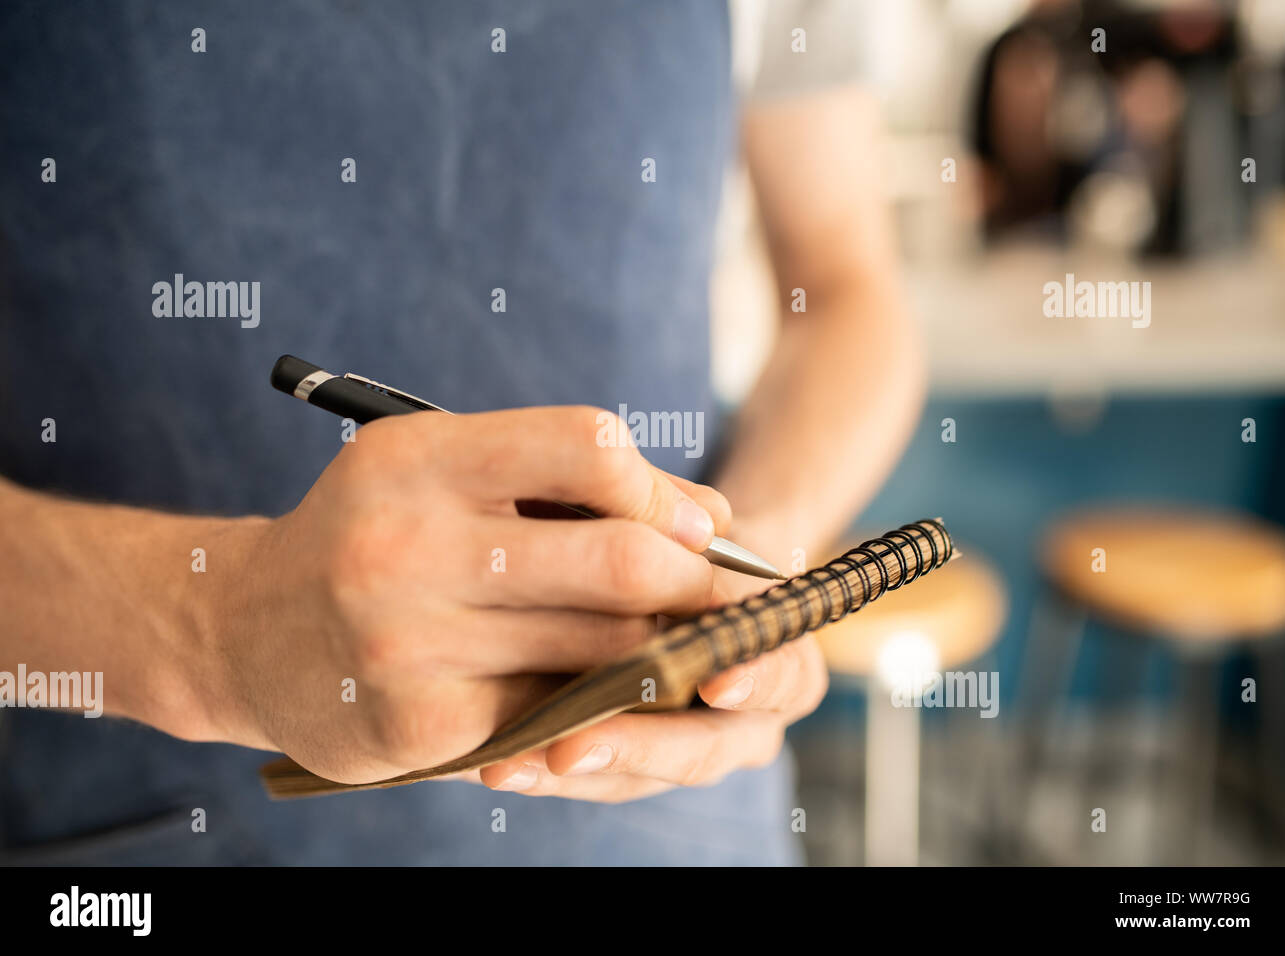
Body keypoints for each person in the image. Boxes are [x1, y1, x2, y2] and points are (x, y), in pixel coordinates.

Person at [0, 1, 922, 864]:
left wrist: (744, 563)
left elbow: (845, 292)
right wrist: (215, 631)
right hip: (132, 824)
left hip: (665, 812)